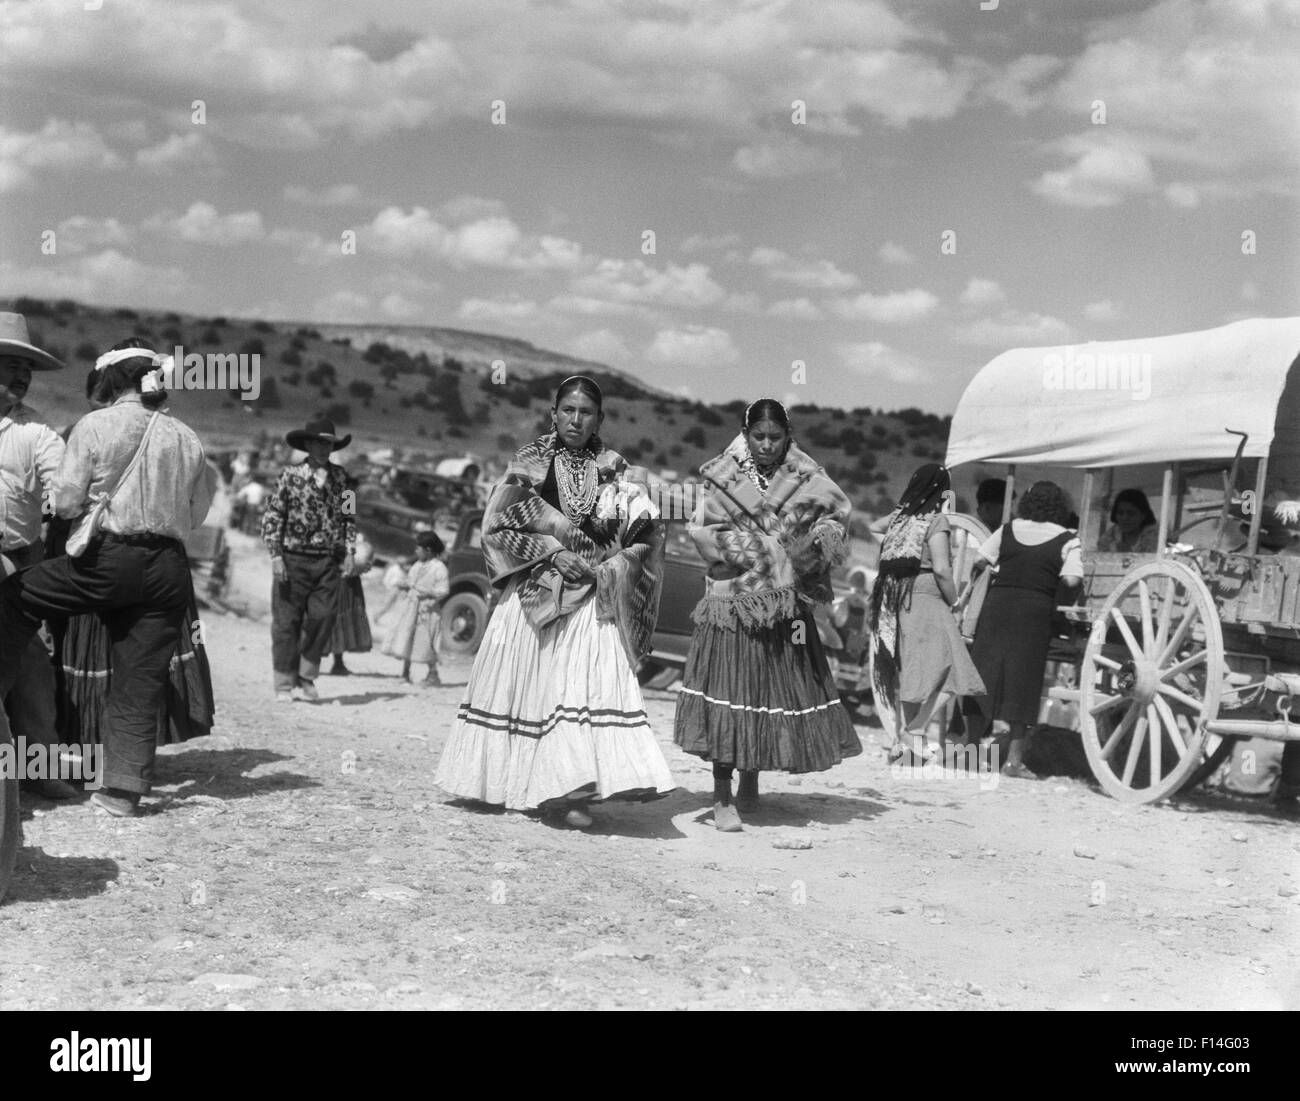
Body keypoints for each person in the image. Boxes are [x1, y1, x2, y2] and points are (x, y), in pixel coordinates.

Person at [435, 375, 674, 828]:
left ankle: (568, 792)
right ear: (553, 414)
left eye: (586, 413)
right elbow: (497, 527)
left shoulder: (617, 469)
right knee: (523, 687)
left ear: (599, 419)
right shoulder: (529, 461)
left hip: (591, 592)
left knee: (581, 689)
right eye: (568, 410)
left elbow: (645, 532)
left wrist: (614, 565)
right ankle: (506, 783)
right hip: (531, 591)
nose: (576, 420)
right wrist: (552, 551)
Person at [0, 337, 215, 817]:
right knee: (139, 677)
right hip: (169, 569)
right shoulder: (186, 436)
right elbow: (197, 513)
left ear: (111, 382)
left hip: (107, 558)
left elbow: (69, 503)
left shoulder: (96, 426)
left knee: (14, 599)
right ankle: (121, 790)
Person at [673, 399, 861, 832]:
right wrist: (770, 549)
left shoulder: (808, 477)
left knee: (763, 692)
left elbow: (835, 516)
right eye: (758, 436)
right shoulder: (719, 478)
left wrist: (817, 538)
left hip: (782, 609)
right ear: (745, 434)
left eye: (775, 438)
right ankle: (722, 797)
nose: (766, 445)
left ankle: (750, 780)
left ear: (787, 437)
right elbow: (704, 532)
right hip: (731, 601)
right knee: (729, 689)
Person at [0, 312, 77, 800]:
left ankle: (39, 767)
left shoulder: (36, 434)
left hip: (19, 559)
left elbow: (62, 486)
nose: (21, 378)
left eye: (26, 370)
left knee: (31, 662)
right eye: (11, 366)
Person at [964, 480, 1083, 779]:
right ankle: (1013, 763)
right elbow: (1070, 581)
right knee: (1024, 683)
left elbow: (979, 562)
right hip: (1035, 611)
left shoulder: (1007, 529)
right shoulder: (1068, 538)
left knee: (982, 675)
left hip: (998, 605)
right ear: (1060, 507)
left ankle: (969, 751)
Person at [870, 464, 986, 763]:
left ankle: (912, 739)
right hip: (927, 596)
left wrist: (897, 549)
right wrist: (955, 599)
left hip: (898, 596)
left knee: (914, 669)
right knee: (958, 669)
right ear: (941, 491)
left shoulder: (900, 518)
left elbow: (873, 526)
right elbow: (943, 569)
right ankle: (915, 729)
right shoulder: (936, 522)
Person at [262, 416, 356, 703]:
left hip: (327, 561)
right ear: (308, 444)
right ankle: (284, 681)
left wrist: (350, 551)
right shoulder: (289, 475)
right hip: (293, 558)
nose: (324, 448)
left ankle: (307, 676)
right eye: (319, 442)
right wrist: (276, 556)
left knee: (322, 617)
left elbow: (349, 516)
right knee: (286, 622)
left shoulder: (343, 478)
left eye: (329, 443)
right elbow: (273, 515)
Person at [380, 529, 448, 685]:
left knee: (425, 642)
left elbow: (443, 590)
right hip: (411, 609)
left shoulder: (439, 568)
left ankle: (433, 674)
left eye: (418, 548)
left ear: (428, 550)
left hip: (426, 611)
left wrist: (429, 596)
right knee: (407, 638)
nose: (416, 551)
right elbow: (412, 581)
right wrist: (405, 585)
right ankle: (405, 673)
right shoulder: (417, 565)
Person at [327, 525, 374, 675]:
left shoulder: (348, 507)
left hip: (347, 579)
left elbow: (355, 547)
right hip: (332, 576)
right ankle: (306, 661)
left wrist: (361, 563)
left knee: (340, 618)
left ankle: (338, 662)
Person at [1098, 487, 1159, 552]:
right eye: (1120, 513)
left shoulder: (1156, 539)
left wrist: (1129, 553)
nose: (1125, 518)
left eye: (1131, 513)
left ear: (1143, 515)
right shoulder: (1109, 538)